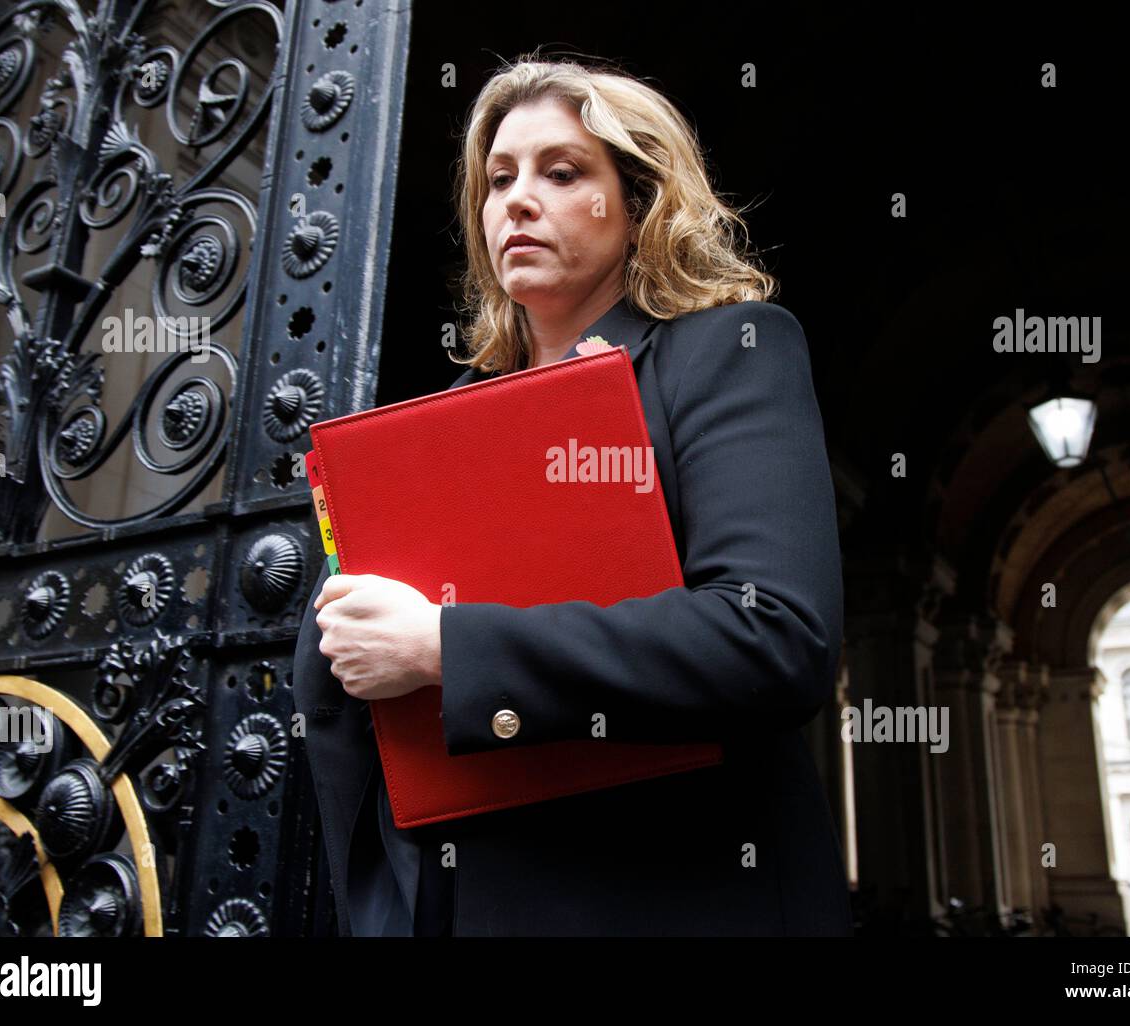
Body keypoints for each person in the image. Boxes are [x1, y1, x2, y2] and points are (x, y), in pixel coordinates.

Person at [292, 55, 851, 936]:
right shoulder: (443, 426)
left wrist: (445, 644)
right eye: (498, 179)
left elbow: (776, 636)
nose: (517, 199)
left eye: (562, 173)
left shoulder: (729, 350)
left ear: (638, 202)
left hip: (672, 897)